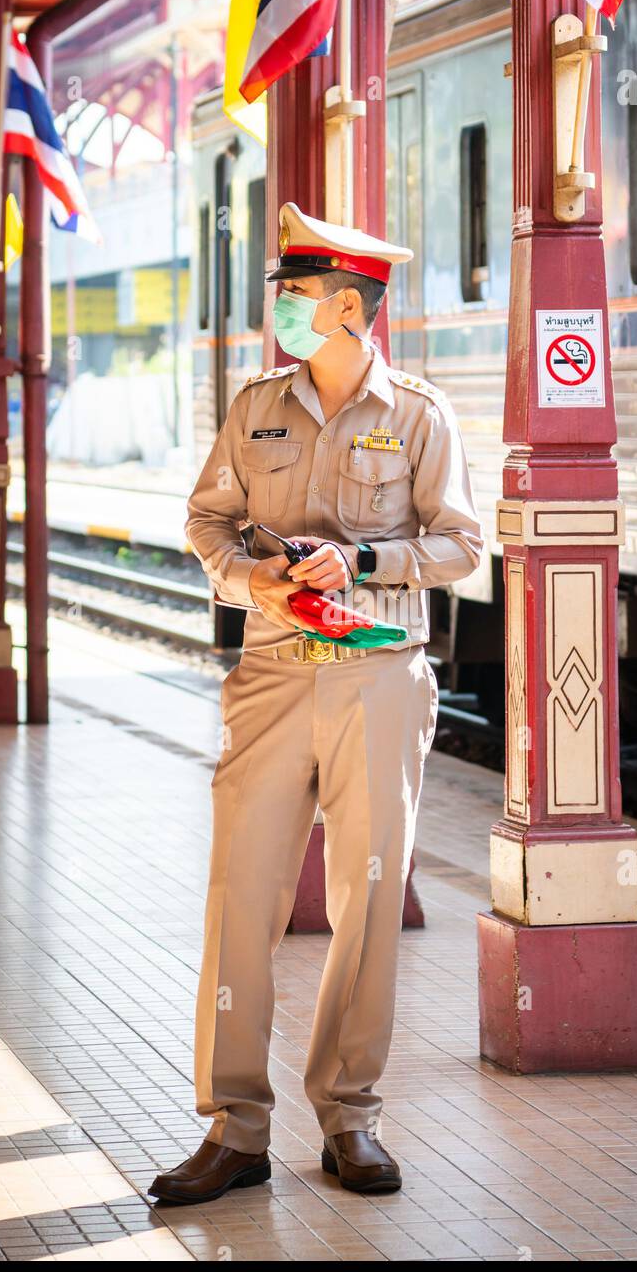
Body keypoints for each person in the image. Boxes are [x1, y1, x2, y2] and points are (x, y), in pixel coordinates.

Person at [149, 202, 483, 1204]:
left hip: (378, 674)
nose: (279, 311)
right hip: (269, 675)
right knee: (237, 893)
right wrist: (248, 577)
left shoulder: (418, 416)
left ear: (350, 307)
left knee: (366, 898)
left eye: (294, 297)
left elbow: (462, 544)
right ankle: (234, 1126)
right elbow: (206, 520)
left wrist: (366, 558)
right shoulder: (255, 407)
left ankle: (350, 1116)